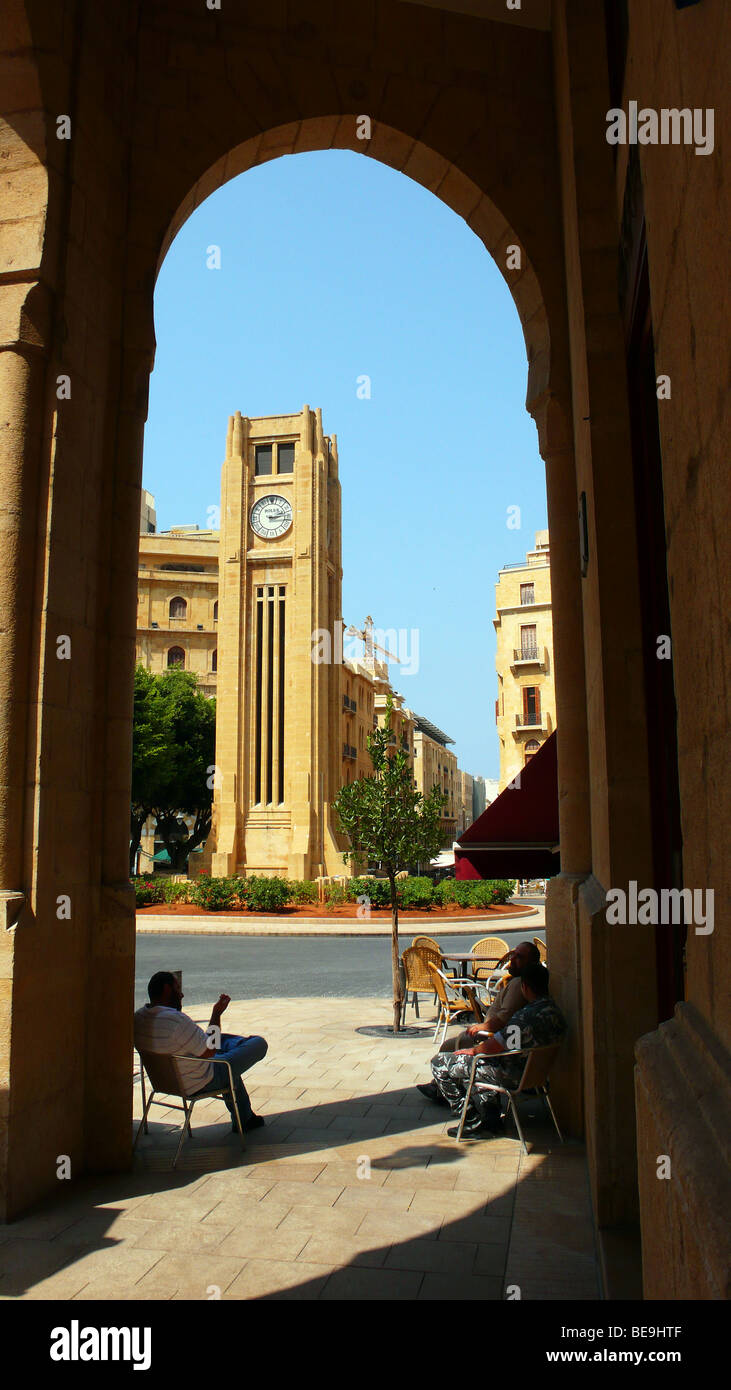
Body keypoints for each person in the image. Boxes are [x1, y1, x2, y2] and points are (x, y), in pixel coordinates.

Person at [429, 962, 566, 1137]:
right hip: (536, 1076)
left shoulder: (525, 1017)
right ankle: (491, 1119)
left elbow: (498, 1045)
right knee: (486, 1063)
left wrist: (474, 1051)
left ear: (524, 986)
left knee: (439, 1063)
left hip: (512, 1075)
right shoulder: (555, 1013)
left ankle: (470, 1119)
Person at [134, 971, 268, 1133]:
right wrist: (216, 1013)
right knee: (258, 1044)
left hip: (167, 1081)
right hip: (200, 1080)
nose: (182, 994)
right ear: (167, 990)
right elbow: (210, 1050)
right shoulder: (175, 1021)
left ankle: (245, 1118)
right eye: (178, 988)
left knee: (224, 1048)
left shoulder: (138, 1017)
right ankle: (244, 1119)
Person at [416, 940, 543, 1104]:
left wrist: (478, 1034)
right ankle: (441, 1088)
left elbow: (504, 1022)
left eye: (519, 957)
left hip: (497, 1048)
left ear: (531, 964)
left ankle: (462, 1108)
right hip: (521, 1064)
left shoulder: (520, 985)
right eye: (513, 955)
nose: (512, 959)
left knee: (447, 1050)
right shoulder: (546, 1010)